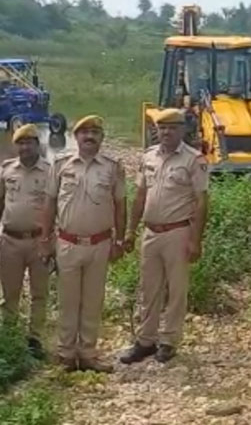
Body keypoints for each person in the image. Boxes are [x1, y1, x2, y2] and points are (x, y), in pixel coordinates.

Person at [120, 108, 209, 365]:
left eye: (173, 127)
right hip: (151, 232)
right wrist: (130, 230)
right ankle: (145, 341)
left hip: (177, 232)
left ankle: (169, 341)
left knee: (176, 289)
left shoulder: (194, 160)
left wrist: (195, 239)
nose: (167, 132)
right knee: (148, 289)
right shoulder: (148, 157)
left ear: (182, 130)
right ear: (156, 130)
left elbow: (201, 202)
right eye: (163, 128)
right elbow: (139, 197)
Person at [41, 115, 126, 373]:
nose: (89, 137)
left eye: (95, 132)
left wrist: (119, 240)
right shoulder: (61, 164)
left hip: (100, 244)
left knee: (92, 299)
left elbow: (121, 205)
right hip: (67, 243)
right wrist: (46, 239)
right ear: (75, 137)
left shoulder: (112, 167)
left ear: (101, 138)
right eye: (84, 132)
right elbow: (49, 203)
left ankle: (88, 353)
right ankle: (66, 354)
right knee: (67, 299)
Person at [0, 124, 50, 359]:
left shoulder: (50, 171)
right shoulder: (7, 170)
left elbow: (55, 208)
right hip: (10, 241)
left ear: (38, 144)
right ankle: (8, 337)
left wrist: (51, 242)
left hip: (38, 241)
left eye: (30, 142)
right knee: (9, 293)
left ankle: (35, 339)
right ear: (15, 145)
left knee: (39, 293)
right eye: (21, 143)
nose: (25, 147)